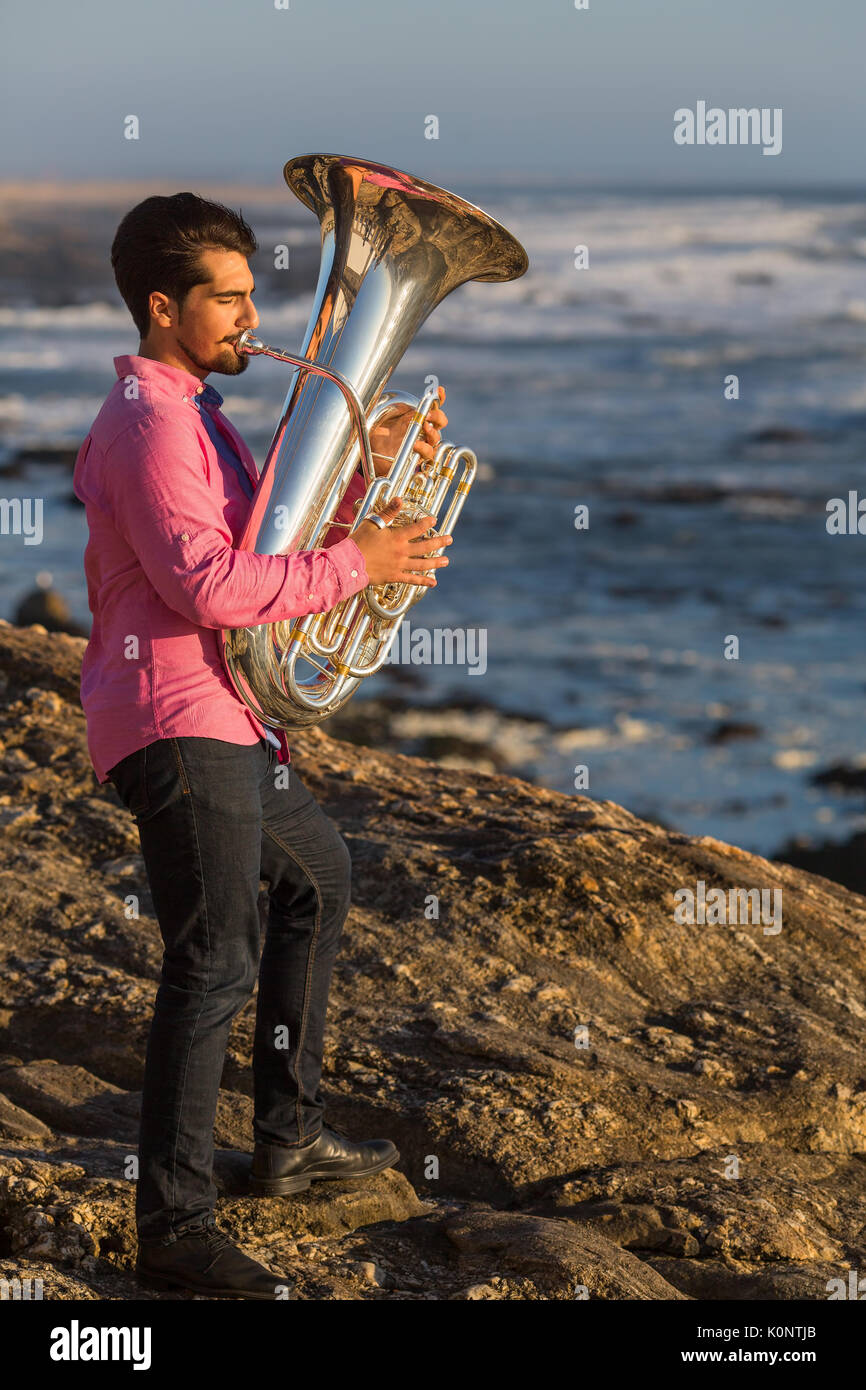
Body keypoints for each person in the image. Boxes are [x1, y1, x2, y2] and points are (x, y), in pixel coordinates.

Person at [72, 191, 452, 1299]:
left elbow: (262, 557)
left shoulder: (198, 415)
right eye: (227, 297)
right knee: (212, 960)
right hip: (174, 717)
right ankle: (176, 1224)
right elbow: (211, 586)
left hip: (225, 712)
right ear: (161, 305)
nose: (252, 313)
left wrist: (360, 495)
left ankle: (287, 1143)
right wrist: (359, 567)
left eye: (250, 292)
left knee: (320, 881)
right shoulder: (147, 424)